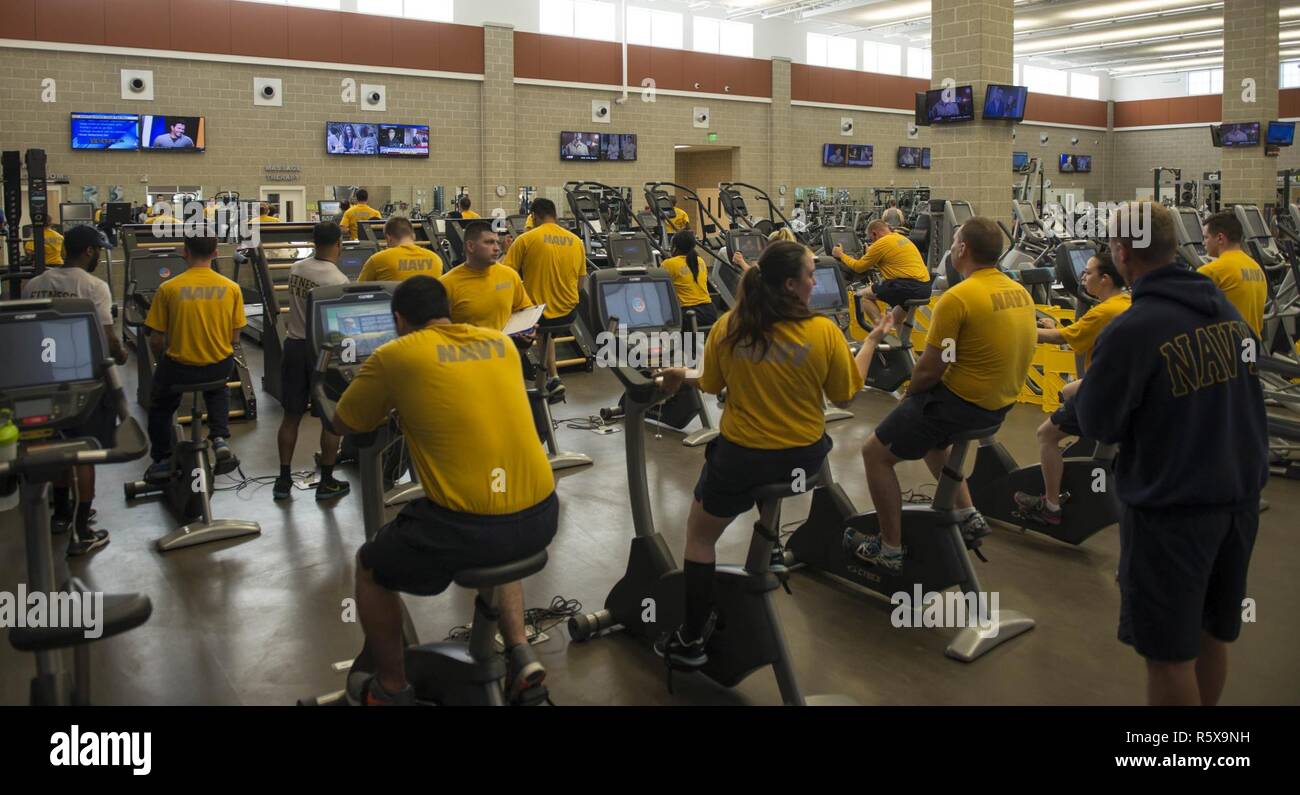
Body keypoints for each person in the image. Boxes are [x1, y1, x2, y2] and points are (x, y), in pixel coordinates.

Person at [653, 240, 894, 668]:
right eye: (809, 274)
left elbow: (709, 383)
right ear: (789, 285)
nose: (814, 281)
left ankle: (691, 638)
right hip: (804, 460)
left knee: (700, 536)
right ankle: (770, 550)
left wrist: (679, 375)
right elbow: (846, 393)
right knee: (776, 468)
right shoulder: (823, 332)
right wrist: (871, 341)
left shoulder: (729, 327)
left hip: (742, 459)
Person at [327, 276, 557, 705]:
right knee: (500, 528)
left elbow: (344, 424)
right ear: (447, 310)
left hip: (469, 529)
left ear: (399, 319)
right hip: (542, 514)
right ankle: (521, 653)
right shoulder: (500, 344)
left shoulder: (394, 355)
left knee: (370, 566)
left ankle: (391, 688)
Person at [1075, 202, 1268, 706]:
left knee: (1167, 656)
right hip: (1239, 503)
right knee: (1211, 633)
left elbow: (1099, 425)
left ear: (1121, 253)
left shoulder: (1131, 330)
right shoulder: (1224, 310)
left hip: (1173, 516)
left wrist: (1086, 389)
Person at [855, 217, 1037, 570]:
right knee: (934, 441)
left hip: (962, 406)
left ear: (963, 249)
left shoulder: (958, 297)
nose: (953, 246)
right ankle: (968, 512)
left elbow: (930, 367)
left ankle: (889, 548)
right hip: (998, 405)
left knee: (874, 453)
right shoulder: (1019, 292)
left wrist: (910, 397)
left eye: (955, 241)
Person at [21, 226, 126, 555]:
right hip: (84, 379)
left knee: (56, 443)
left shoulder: (34, 284)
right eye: (99, 251)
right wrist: (121, 355)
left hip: (44, 377)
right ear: (90, 252)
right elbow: (108, 337)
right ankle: (82, 529)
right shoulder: (94, 286)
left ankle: (62, 513)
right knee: (86, 451)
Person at [1014, 247, 1131, 525]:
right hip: (1121, 384)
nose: (1084, 277)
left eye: (1088, 272)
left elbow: (1060, 337)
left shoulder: (1104, 312)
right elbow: (1078, 334)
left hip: (1105, 393)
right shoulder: (1127, 302)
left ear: (1105, 280)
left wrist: (1018, 328)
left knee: (1046, 435)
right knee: (1067, 392)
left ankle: (1050, 506)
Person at [141, 236, 246, 481]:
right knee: (219, 387)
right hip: (218, 366)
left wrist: (161, 362)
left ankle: (162, 458)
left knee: (159, 406)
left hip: (179, 368)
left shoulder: (169, 288)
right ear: (216, 253)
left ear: (185, 252)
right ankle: (219, 438)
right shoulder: (231, 288)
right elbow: (235, 338)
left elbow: (156, 340)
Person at [273, 222, 351, 501]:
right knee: (330, 420)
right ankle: (327, 481)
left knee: (290, 417)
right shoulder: (338, 280)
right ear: (338, 243)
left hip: (294, 345)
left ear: (314, 241)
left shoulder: (297, 269)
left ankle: (282, 480)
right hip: (323, 351)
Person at [501, 198, 587, 400]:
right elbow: (581, 283)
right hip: (568, 313)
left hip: (538, 315)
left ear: (534, 216)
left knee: (511, 328)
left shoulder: (526, 239)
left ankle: (503, 378)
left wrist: (506, 252)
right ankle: (554, 377)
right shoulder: (576, 241)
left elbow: (504, 276)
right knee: (544, 334)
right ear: (555, 215)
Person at [832, 219, 931, 327]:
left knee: (861, 295)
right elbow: (891, 260)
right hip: (924, 288)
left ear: (874, 234)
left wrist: (841, 255)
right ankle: (902, 343)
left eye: (871, 239)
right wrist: (871, 254)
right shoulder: (900, 238)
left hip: (906, 286)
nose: (873, 242)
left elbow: (858, 267)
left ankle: (880, 332)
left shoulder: (881, 243)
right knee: (895, 320)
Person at [440, 221, 532, 330]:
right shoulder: (446, 285)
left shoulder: (510, 275)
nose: (497, 248)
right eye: (489, 242)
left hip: (504, 346)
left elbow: (525, 309)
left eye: (497, 242)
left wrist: (528, 329)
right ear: (470, 246)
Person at [1199, 210, 1267, 336]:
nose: (1203, 243)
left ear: (1220, 238)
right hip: (1251, 348)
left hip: (1225, 348)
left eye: (1206, 237)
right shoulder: (1256, 267)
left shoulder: (1211, 270)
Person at [660, 230, 718, 328]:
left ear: (675, 246)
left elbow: (661, 291)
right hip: (710, 312)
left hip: (687, 314)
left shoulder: (668, 264)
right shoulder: (700, 261)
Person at [358, 217, 444, 282]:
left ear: (388, 238)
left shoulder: (378, 260)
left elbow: (359, 289)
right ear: (413, 236)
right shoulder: (436, 259)